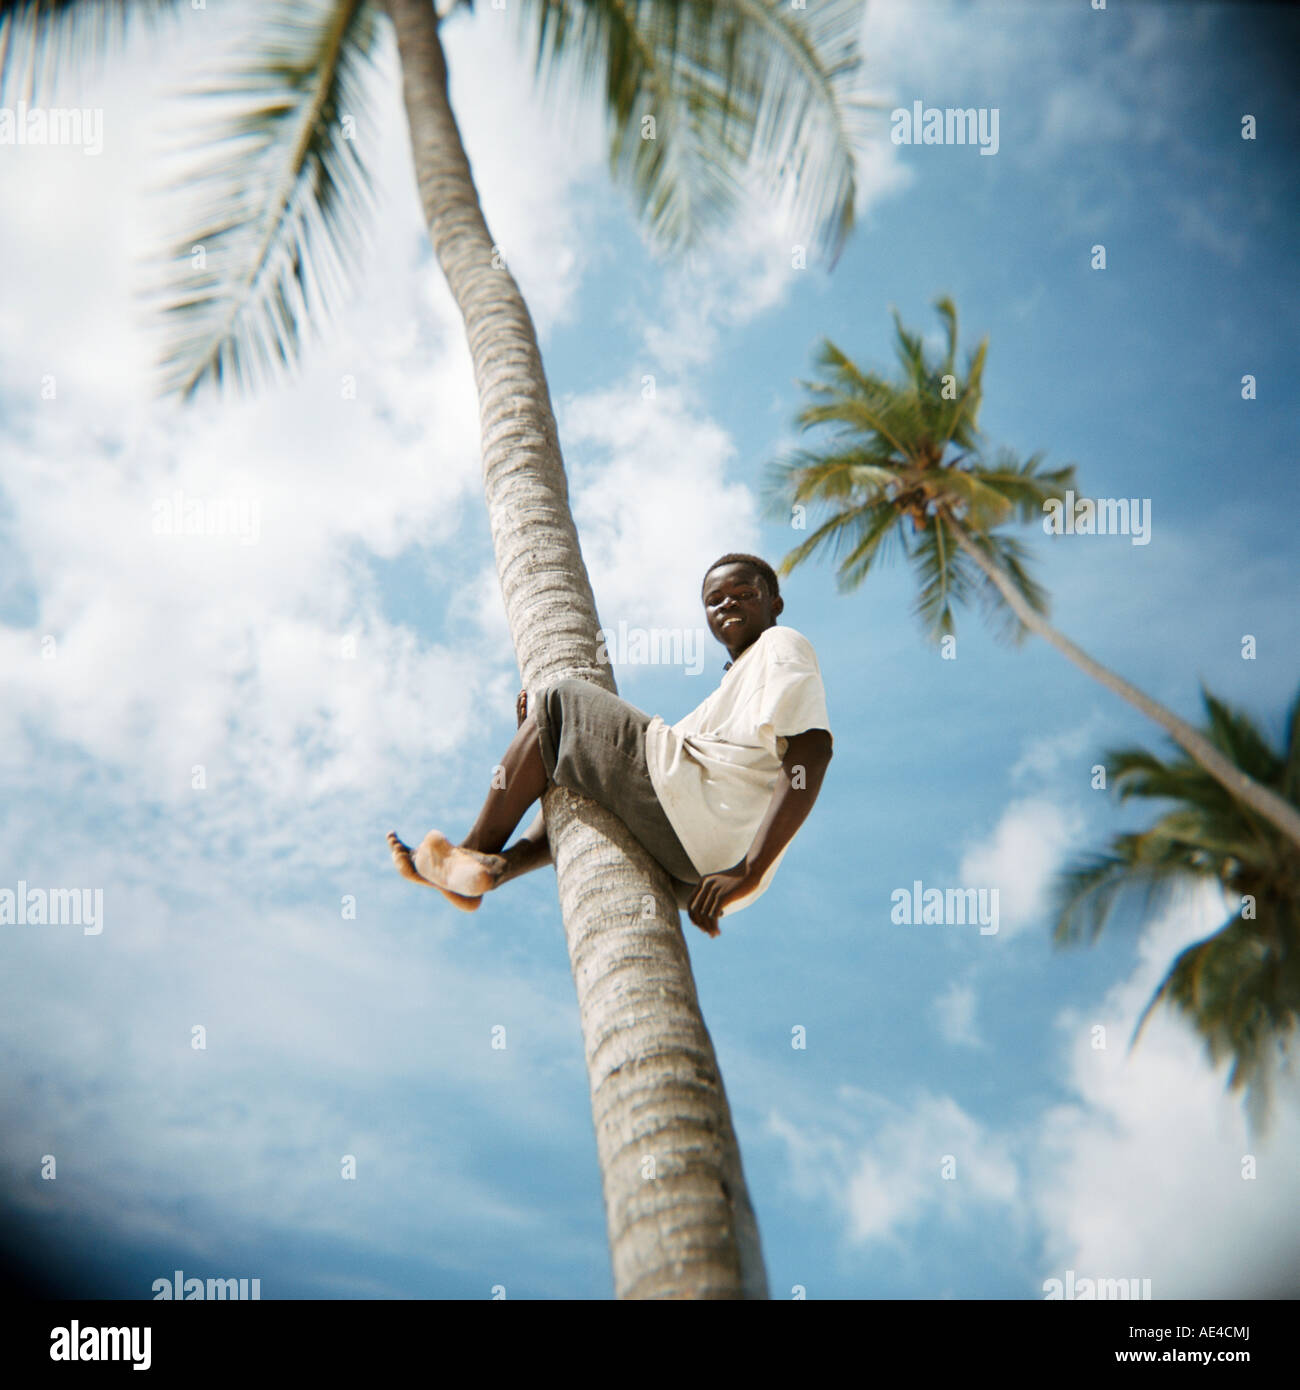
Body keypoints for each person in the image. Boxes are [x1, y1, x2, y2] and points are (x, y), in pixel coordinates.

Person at [388, 553, 833, 936]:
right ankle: (493, 870)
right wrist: (543, 738)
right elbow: (604, 761)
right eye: (714, 600)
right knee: (577, 779)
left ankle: (468, 851)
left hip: (715, 839)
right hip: (697, 873)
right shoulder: (731, 694)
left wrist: (751, 869)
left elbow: (811, 751)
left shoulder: (780, 642)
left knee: (563, 699)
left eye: (744, 594)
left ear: (775, 604)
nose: (727, 603)